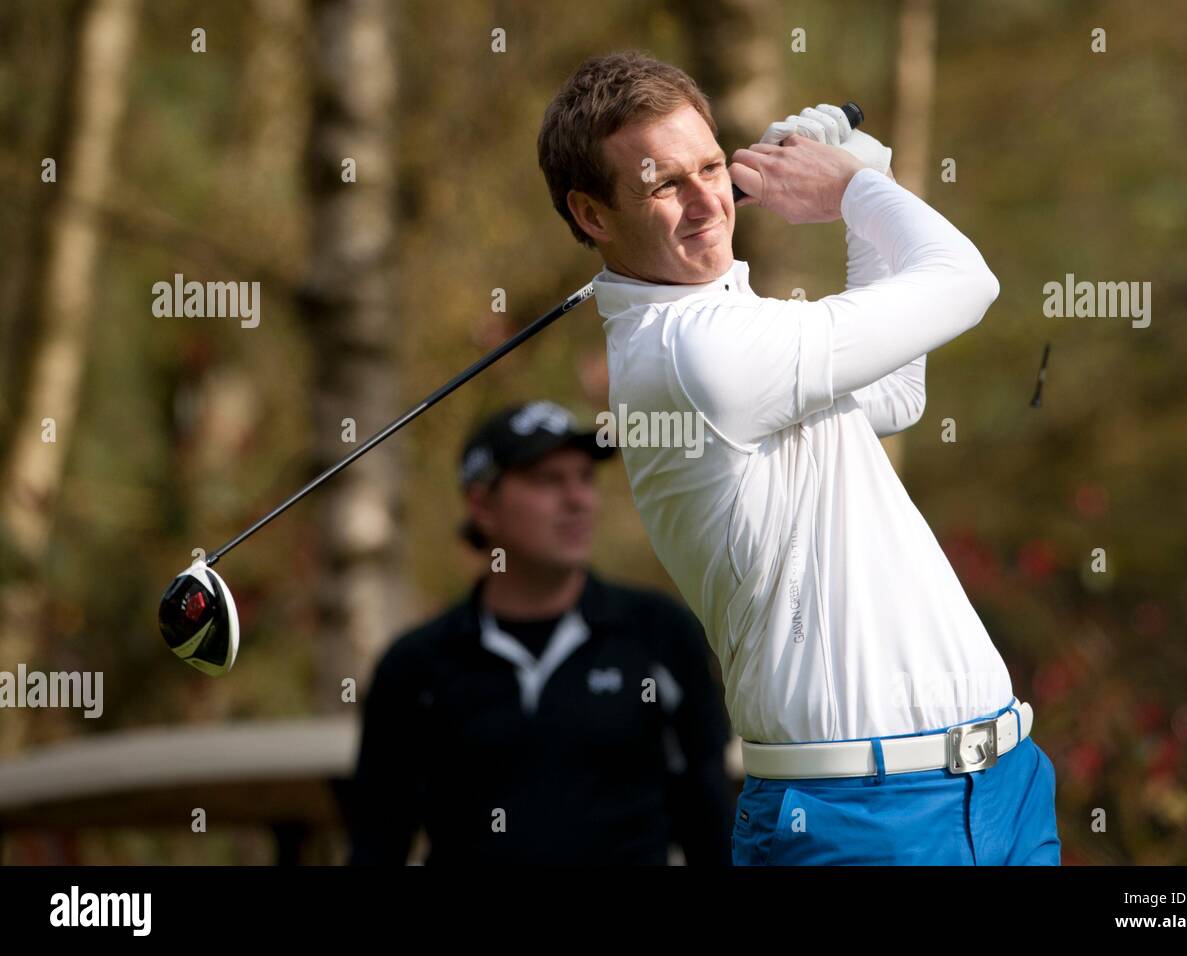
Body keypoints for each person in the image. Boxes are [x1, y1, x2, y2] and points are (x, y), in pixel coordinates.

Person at [535, 51, 1060, 865]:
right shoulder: (695, 356)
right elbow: (965, 281)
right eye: (663, 185)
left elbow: (895, 393)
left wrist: (864, 172)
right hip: (863, 818)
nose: (708, 203)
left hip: (1003, 788)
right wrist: (852, 189)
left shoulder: (732, 331)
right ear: (594, 215)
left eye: (711, 167)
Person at [348, 399, 733, 865]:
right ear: (482, 504)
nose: (578, 500)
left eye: (586, 478)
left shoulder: (661, 634)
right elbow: (377, 842)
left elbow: (711, 824)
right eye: (548, 480)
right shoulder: (415, 666)